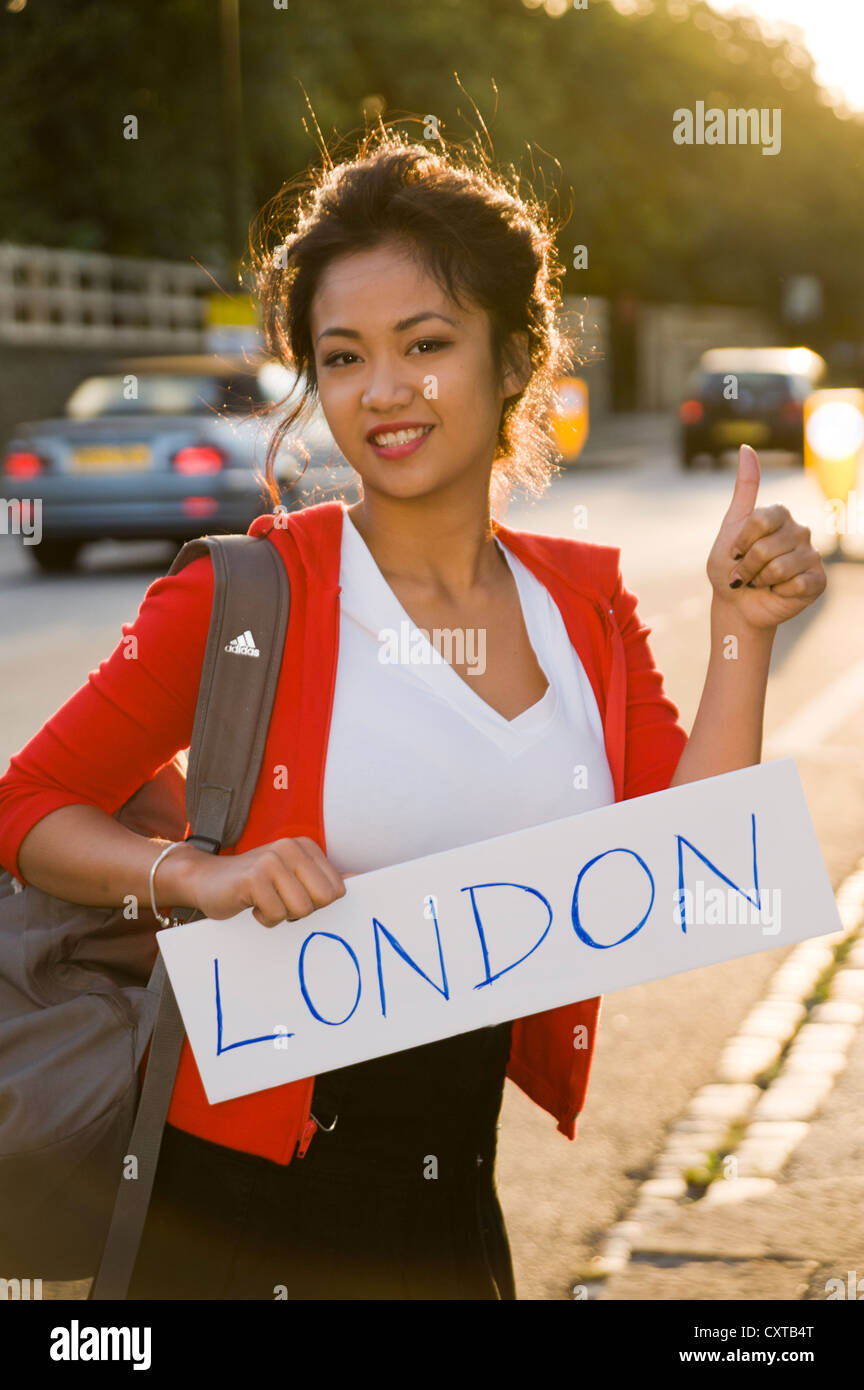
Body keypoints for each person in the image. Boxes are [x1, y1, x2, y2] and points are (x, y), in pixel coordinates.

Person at [0, 130, 826, 1301]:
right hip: (235, 1205)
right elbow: (26, 806)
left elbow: (700, 877)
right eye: (343, 357)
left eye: (426, 344)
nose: (383, 390)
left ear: (515, 357)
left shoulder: (583, 607)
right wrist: (193, 874)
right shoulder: (247, 593)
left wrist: (741, 631)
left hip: (451, 1211)